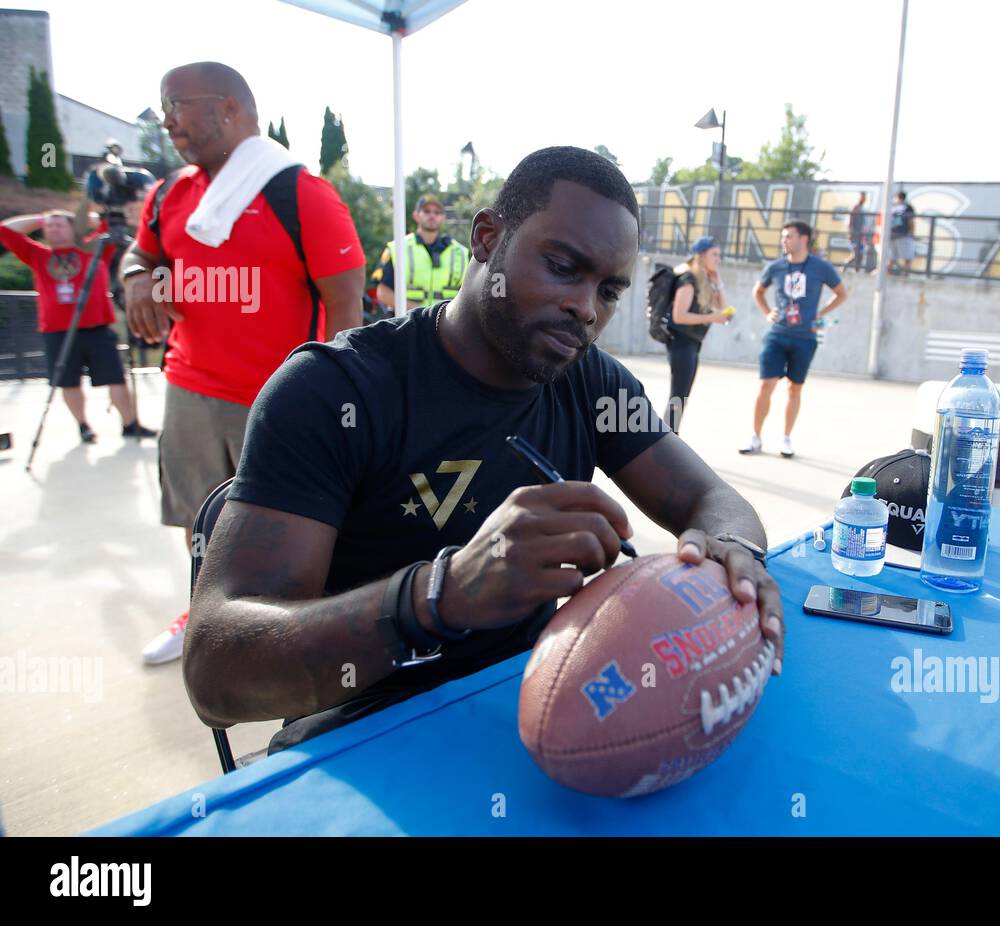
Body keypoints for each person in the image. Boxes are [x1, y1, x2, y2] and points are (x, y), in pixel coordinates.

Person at [183, 146, 785, 752]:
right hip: (361, 733)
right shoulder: (333, 391)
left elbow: (712, 499)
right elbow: (215, 674)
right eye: (562, 266)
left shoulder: (589, 380)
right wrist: (439, 595)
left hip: (536, 700)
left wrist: (733, 553)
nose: (585, 307)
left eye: (609, 290)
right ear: (487, 237)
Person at [120, 61, 365, 665]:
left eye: (176, 104)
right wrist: (135, 278)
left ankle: (292, 631)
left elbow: (345, 304)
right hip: (187, 386)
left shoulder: (298, 192)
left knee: (290, 528)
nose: (167, 120)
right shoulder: (167, 194)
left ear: (228, 108)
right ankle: (203, 613)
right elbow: (141, 252)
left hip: (276, 400)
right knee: (199, 518)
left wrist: (334, 401)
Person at [0, 207, 154, 443]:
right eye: (49, 226)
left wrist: (81, 220)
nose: (53, 229)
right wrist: (42, 218)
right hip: (57, 330)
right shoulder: (38, 254)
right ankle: (83, 425)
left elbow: (110, 226)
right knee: (68, 381)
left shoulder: (94, 249)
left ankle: (129, 423)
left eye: (60, 224)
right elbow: (6, 230)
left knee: (115, 377)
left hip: (97, 327)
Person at [739, 221, 848, 458]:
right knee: (766, 384)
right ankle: (755, 437)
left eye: (788, 236)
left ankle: (786, 438)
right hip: (777, 334)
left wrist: (821, 313)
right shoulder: (776, 266)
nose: (784, 240)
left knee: (794, 389)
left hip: (805, 337)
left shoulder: (821, 267)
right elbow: (758, 291)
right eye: (783, 236)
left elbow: (841, 293)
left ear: (804, 239)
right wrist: (768, 312)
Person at [664, 235, 731, 433]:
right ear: (701, 256)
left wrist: (718, 283)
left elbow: (724, 309)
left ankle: (668, 435)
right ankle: (667, 436)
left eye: (719, 255)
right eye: (714, 254)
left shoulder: (705, 280)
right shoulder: (688, 279)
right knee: (678, 394)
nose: (718, 259)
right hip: (681, 342)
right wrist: (712, 318)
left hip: (692, 343)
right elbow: (679, 316)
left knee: (682, 394)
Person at [374, 194, 472, 313]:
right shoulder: (397, 248)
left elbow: (470, 293)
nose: (432, 215)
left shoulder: (460, 252)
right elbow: (382, 292)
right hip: (407, 324)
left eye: (437, 212)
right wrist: (420, 313)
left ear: (442, 218)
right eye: (426, 211)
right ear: (416, 215)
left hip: (445, 326)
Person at [841, 192, 875, 273]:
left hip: (862, 236)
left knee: (860, 254)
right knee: (856, 253)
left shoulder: (862, 208)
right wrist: (851, 232)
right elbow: (850, 221)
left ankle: (855, 270)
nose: (863, 199)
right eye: (861, 197)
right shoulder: (855, 208)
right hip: (856, 235)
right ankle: (846, 268)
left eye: (864, 197)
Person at [887, 190, 916, 274]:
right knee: (908, 258)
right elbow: (911, 221)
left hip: (891, 235)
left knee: (891, 258)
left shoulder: (892, 207)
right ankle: (905, 275)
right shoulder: (907, 207)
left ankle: (888, 275)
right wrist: (912, 233)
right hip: (904, 235)